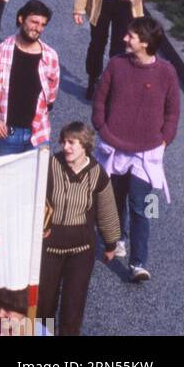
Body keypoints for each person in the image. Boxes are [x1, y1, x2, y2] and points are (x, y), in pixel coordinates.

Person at [93, 16, 179, 283]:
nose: (124, 39)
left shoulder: (167, 72)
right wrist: (103, 129)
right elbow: (100, 99)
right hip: (114, 148)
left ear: (145, 42)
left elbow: (173, 112)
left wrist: (165, 139)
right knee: (115, 200)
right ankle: (117, 239)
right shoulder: (117, 64)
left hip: (146, 153)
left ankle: (138, 263)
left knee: (141, 206)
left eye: (130, 36)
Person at [40, 121, 122, 336]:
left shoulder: (97, 173)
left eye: (71, 142)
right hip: (49, 246)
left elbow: (107, 210)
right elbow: (33, 200)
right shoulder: (50, 166)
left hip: (82, 248)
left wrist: (111, 242)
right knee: (44, 304)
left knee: (73, 305)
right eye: (63, 142)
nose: (65, 147)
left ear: (85, 144)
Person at [0, 0, 61, 155]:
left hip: (38, 134)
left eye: (42, 25)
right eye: (34, 22)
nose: (38, 28)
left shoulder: (51, 56)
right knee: (7, 179)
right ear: (21, 19)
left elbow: (50, 99)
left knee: (36, 179)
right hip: (7, 135)